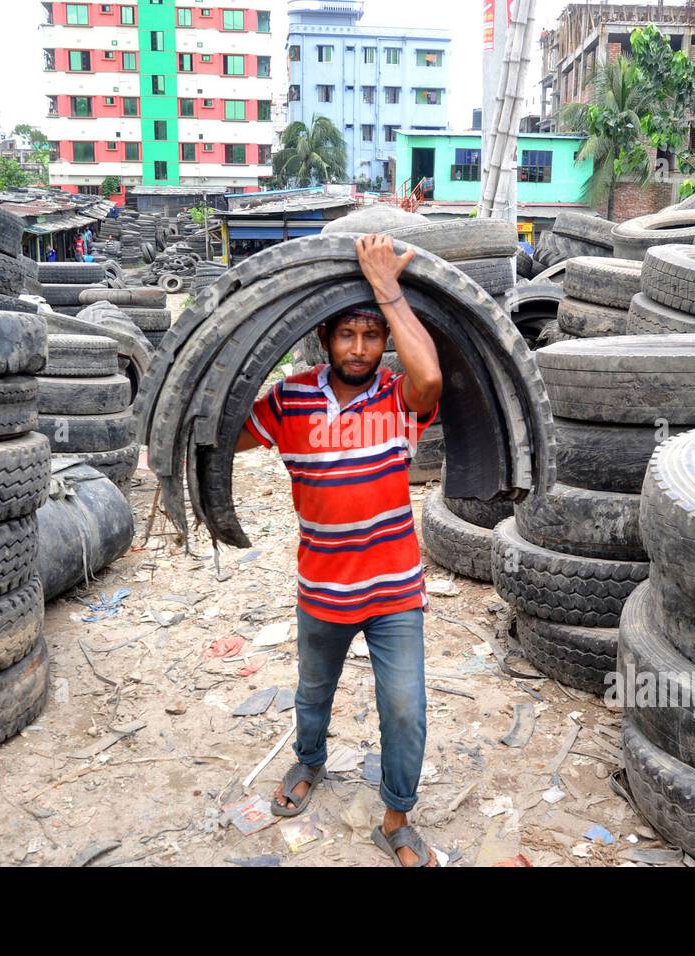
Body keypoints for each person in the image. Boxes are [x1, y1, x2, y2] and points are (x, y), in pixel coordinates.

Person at [235, 234, 443, 867]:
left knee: (404, 710)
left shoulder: (398, 401)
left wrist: (387, 290)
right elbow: (217, 433)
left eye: (372, 334)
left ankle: (396, 821)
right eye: (346, 334)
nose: (359, 347)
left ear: (385, 341)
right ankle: (309, 762)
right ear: (323, 338)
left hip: (394, 591)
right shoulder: (289, 400)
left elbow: (430, 374)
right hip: (322, 588)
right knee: (312, 693)